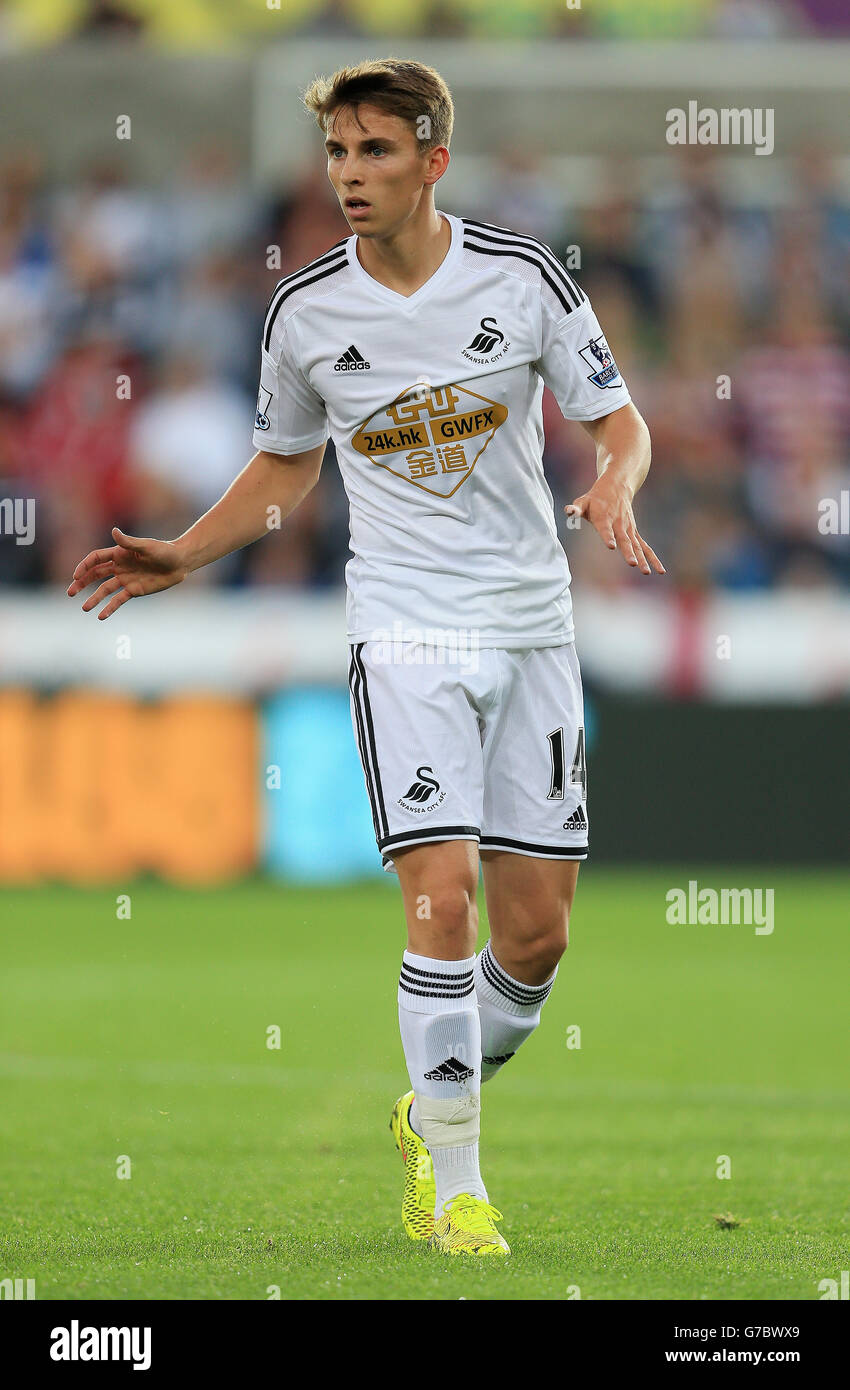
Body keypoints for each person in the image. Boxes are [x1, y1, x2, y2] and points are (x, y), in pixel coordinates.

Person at [68, 59, 663, 1257]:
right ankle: (458, 1191)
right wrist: (186, 552)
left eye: (376, 152)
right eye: (338, 153)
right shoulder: (306, 313)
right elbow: (287, 467)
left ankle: (432, 1097)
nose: (350, 174)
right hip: (402, 625)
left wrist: (614, 479)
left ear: (432, 162)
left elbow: (619, 419)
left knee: (536, 938)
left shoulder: (523, 277)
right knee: (439, 895)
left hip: (530, 623)